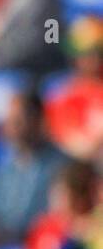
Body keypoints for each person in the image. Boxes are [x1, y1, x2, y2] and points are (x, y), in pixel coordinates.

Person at [0, 91, 69, 249]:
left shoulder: (62, 166)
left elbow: (57, 218)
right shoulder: (2, 168)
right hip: (2, 248)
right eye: (9, 120)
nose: (11, 127)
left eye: (18, 120)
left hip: (42, 248)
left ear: (38, 121)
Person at [25, 160, 103, 249]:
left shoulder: (97, 229)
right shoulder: (44, 228)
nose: (55, 201)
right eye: (54, 194)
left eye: (62, 195)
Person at [45, 15, 103, 162]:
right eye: (84, 54)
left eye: (96, 53)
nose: (91, 60)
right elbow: (65, 139)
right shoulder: (63, 95)